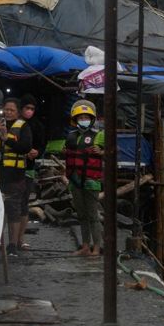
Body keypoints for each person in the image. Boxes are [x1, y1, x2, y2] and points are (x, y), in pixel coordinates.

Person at [64, 99, 104, 257]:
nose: (83, 120)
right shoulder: (71, 136)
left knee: (93, 215)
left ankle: (96, 248)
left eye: (86, 117)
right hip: (74, 181)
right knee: (81, 216)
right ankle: (85, 246)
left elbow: (113, 152)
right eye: (80, 118)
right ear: (75, 120)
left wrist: (101, 152)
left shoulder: (99, 135)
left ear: (92, 119)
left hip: (91, 181)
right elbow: (67, 153)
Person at [0, 97, 33, 254]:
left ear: (18, 112)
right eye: (6, 109)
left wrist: (7, 140)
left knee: (14, 210)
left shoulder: (23, 126)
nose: (8, 112)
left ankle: (12, 244)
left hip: (15, 175)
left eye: (12, 110)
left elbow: (26, 147)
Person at [19, 95, 46, 247]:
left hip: (29, 168)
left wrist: (37, 152)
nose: (29, 111)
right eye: (27, 108)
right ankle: (2, 241)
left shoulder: (37, 126)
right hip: (11, 169)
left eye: (32, 109)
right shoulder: (15, 124)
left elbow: (42, 145)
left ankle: (20, 239)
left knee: (24, 204)